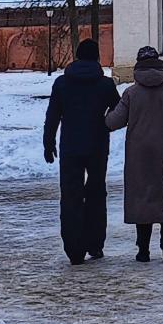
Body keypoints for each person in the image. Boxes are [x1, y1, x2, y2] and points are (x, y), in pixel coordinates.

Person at [42, 38, 120, 264]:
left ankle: (74, 250)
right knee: (96, 193)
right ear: (97, 57)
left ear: (76, 56)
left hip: (70, 146)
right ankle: (95, 244)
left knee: (70, 196)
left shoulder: (62, 84)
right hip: (97, 145)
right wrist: (105, 122)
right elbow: (119, 110)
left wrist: (48, 143)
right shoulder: (105, 84)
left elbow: (53, 115)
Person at [106, 43, 163, 260]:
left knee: (142, 199)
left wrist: (104, 117)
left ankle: (143, 249)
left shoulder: (131, 93)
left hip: (138, 155)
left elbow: (114, 121)